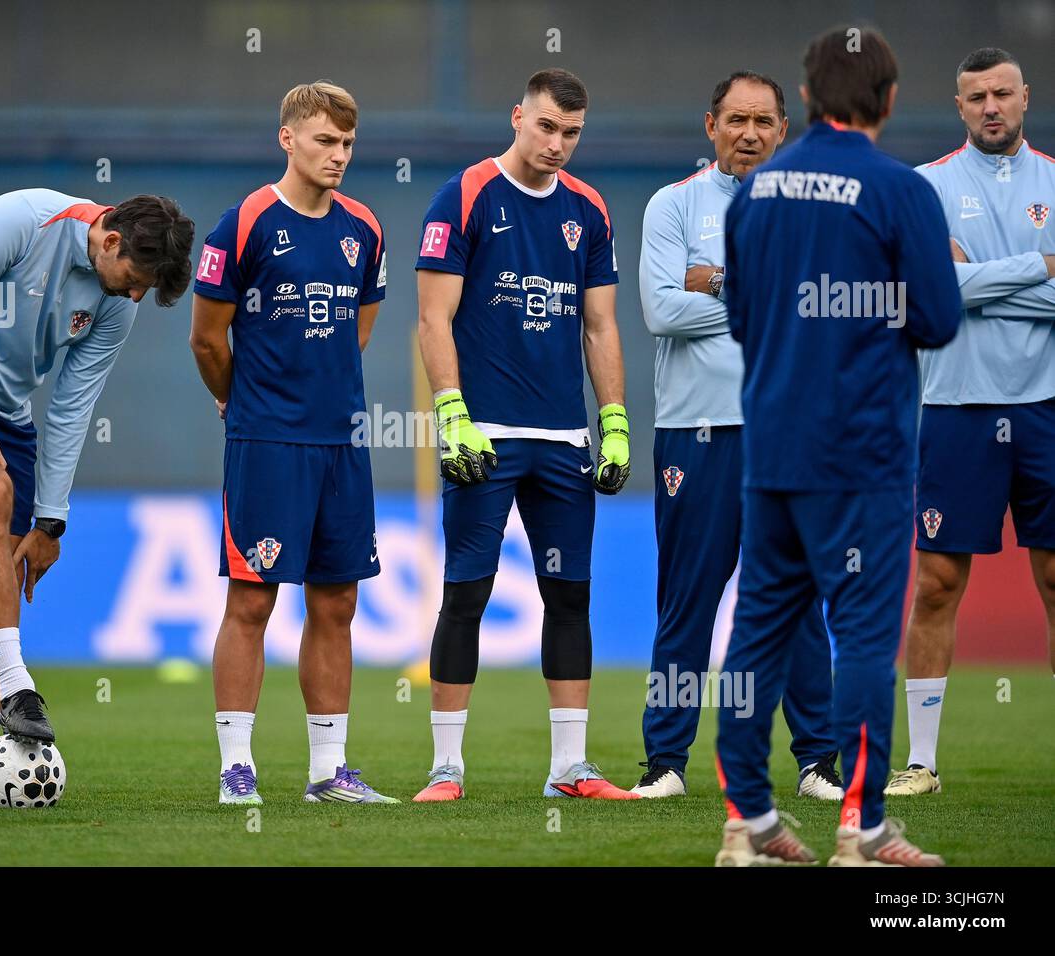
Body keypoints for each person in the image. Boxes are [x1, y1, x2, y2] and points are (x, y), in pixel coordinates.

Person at [714, 27, 959, 866]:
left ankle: (746, 820)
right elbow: (938, 319)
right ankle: (860, 827)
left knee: (756, 634)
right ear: (888, 101)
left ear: (808, 99)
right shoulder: (901, 191)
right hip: (863, 456)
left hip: (771, 448)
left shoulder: (754, 193)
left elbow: (740, 316)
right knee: (859, 636)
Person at [0, 186, 194, 802]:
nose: (134, 295)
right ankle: (17, 687)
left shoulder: (118, 298)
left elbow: (73, 407)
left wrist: (52, 520)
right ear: (110, 240)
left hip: (8, 417)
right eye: (135, 278)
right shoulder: (20, 220)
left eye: (146, 290)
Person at [413, 68, 635, 802]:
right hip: (486, 437)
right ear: (518, 117)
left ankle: (569, 768)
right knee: (466, 595)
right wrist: (451, 411)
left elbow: (600, 325)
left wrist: (612, 421)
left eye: (572, 132)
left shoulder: (590, 210)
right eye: (547, 127)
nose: (558, 144)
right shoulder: (467, 194)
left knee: (569, 596)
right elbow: (433, 318)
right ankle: (447, 769)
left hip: (564, 442)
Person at [637, 70, 841, 801]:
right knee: (687, 599)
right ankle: (665, 762)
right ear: (710, 125)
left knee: (797, 597)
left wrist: (717, 283)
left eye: (763, 121)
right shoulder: (673, 205)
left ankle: (818, 760)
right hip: (695, 433)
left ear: (785, 130)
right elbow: (661, 312)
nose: (749, 133)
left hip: (786, 431)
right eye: (736, 120)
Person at [190, 81, 394, 805]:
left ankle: (328, 773)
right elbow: (207, 338)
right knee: (252, 600)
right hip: (266, 440)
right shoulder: (242, 223)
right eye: (323, 141)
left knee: (336, 602)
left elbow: (356, 333)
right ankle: (236, 767)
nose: (337, 156)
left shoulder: (364, 229)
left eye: (346, 144)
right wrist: (239, 397)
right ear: (288, 138)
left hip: (342, 440)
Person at [888, 47, 1055, 797]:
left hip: (1047, 405)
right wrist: (1044, 267)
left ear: (1026, 97)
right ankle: (921, 761)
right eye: (975, 97)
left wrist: (977, 282)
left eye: (1002, 94)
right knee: (936, 583)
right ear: (958, 107)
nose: (991, 107)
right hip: (956, 408)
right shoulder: (926, 188)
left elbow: (963, 288)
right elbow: (937, 295)